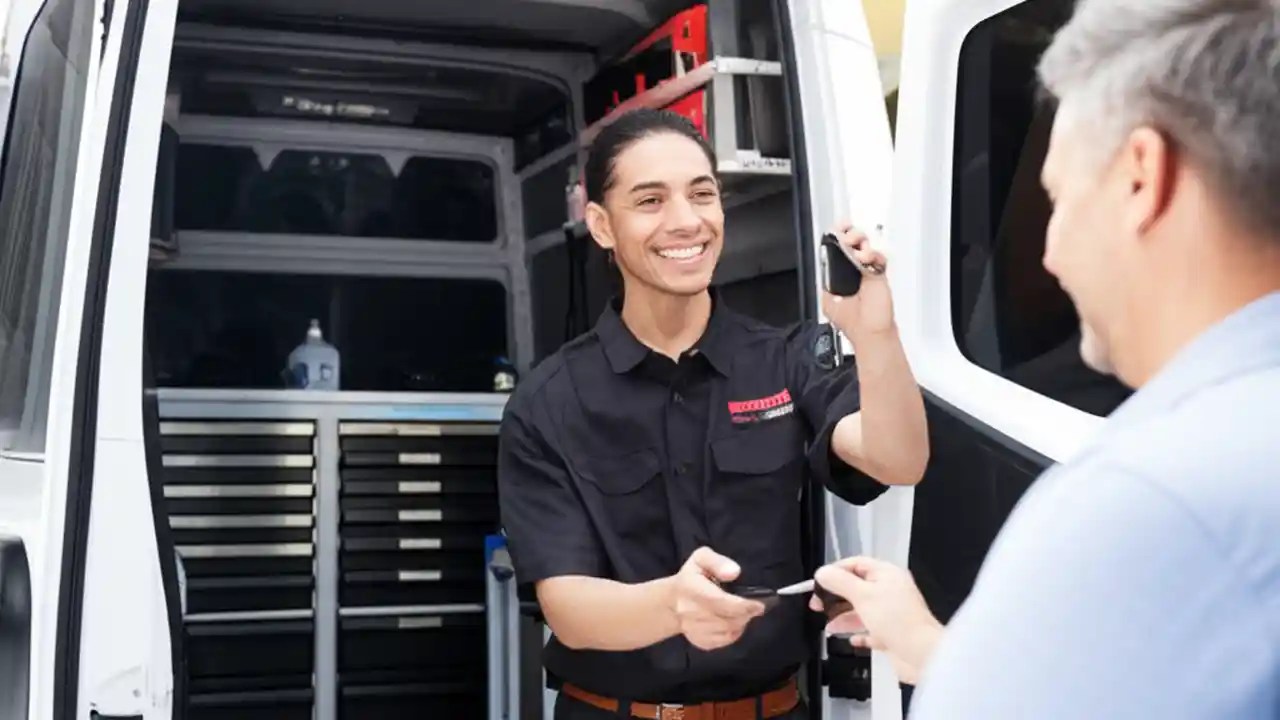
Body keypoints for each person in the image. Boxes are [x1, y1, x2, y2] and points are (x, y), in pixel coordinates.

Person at [812, 0, 1280, 717]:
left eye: (1056, 200)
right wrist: (938, 649)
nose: (1051, 253)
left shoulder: (1147, 500)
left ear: (1139, 176)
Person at [496, 108, 930, 719]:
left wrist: (877, 334)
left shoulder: (787, 360)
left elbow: (899, 458)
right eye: (650, 200)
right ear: (600, 225)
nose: (686, 221)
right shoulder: (547, 403)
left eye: (702, 194)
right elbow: (568, 610)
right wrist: (672, 604)